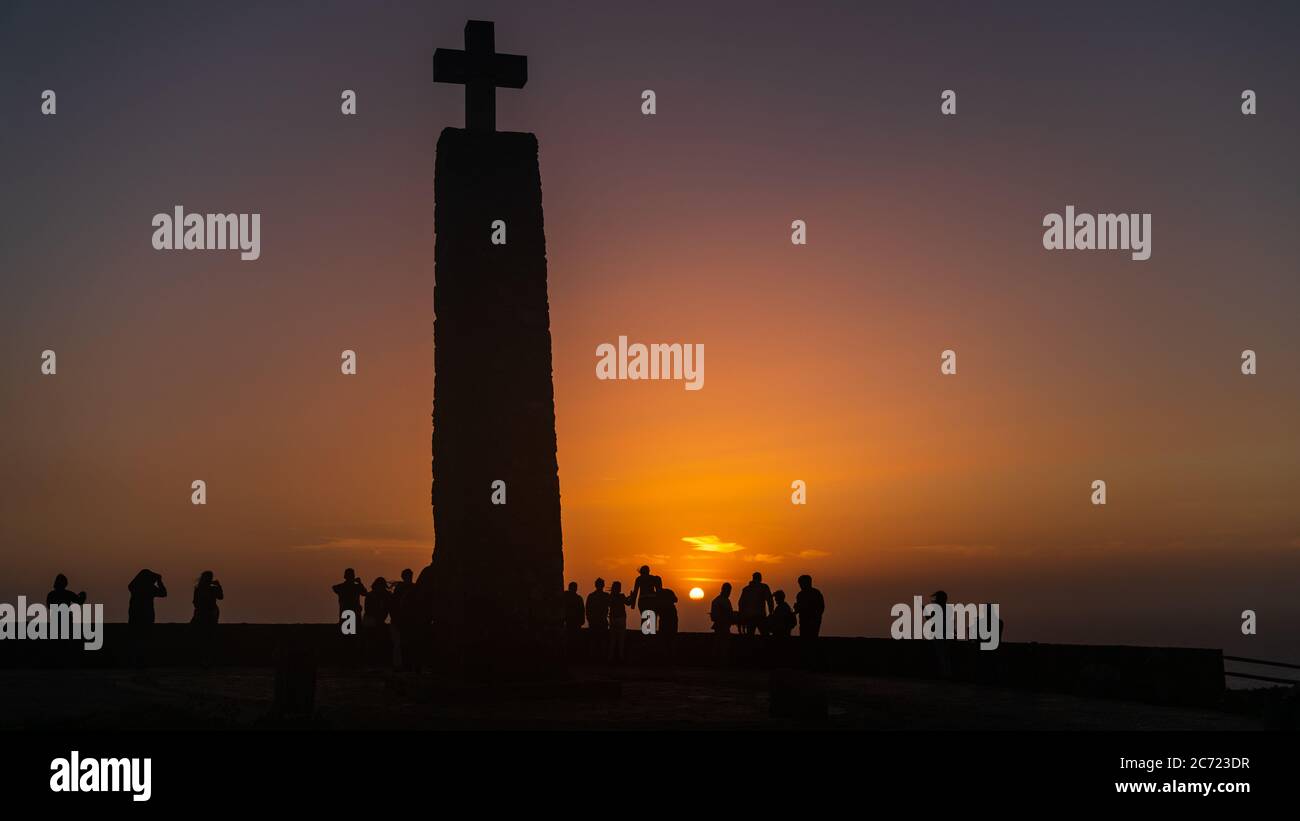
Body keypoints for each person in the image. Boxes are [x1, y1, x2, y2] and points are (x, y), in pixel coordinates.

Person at [127, 569, 167, 668]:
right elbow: (163, 593)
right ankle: (142, 661)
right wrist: (159, 581)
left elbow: (131, 585)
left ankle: (136, 661)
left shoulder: (135, 587)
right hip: (146, 616)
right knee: (144, 640)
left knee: (136, 639)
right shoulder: (149, 588)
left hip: (135, 616)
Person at [191, 571, 223, 667]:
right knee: (205, 637)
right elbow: (195, 602)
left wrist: (218, 586)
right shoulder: (200, 589)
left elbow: (220, 597)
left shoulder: (205, 589)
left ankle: (205, 659)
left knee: (207, 636)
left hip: (209, 614)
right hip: (205, 614)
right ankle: (204, 659)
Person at [794, 574, 825, 668]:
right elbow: (821, 607)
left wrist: (798, 608)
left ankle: (807, 663)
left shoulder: (801, 595)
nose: (800, 585)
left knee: (806, 642)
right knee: (811, 641)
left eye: (801, 583)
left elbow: (800, 608)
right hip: (812, 621)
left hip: (808, 621)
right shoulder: (816, 593)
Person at [389, 568, 416, 669]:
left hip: (407, 619)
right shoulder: (402, 588)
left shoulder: (410, 588)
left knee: (406, 643)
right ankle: (401, 664)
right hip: (402, 620)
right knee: (401, 643)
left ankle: (405, 663)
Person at [737, 572, 774, 636]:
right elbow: (770, 601)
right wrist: (771, 613)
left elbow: (740, 603)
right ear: (760, 578)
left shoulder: (746, 589)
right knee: (765, 635)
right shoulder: (764, 587)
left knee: (750, 636)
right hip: (760, 616)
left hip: (750, 617)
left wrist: (742, 615)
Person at [710, 583, 735, 666]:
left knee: (718, 645)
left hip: (721, 626)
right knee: (723, 646)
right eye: (729, 591)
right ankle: (721, 663)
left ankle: (717, 663)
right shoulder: (722, 601)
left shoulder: (717, 600)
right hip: (722, 626)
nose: (729, 593)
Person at [585, 578, 610, 661]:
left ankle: (593, 658)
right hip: (601, 621)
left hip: (594, 621)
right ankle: (602, 658)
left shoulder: (591, 596)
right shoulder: (606, 596)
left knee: (594, 640)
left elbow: (587, 610)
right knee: (602, 640)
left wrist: (589, 619)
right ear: (603, 585)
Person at [561, 581, 585, 659]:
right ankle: (574, 656)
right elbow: (582, 610)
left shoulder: (566, 596)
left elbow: (582, 610)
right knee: (574, 640)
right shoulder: (578, 598)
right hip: (574, 621)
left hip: (570, 621)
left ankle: (569, 656)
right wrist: (582, 620)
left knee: (570, 639)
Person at [607, 581, 629, 663]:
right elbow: (628, 603)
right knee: (621, 640)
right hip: (621, 619)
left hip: (613, 619)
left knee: (612, 640)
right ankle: (620, 657)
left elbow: (608, 605)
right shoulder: (621, 596)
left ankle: (610, 658)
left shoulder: (610, 596)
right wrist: (631, 596)